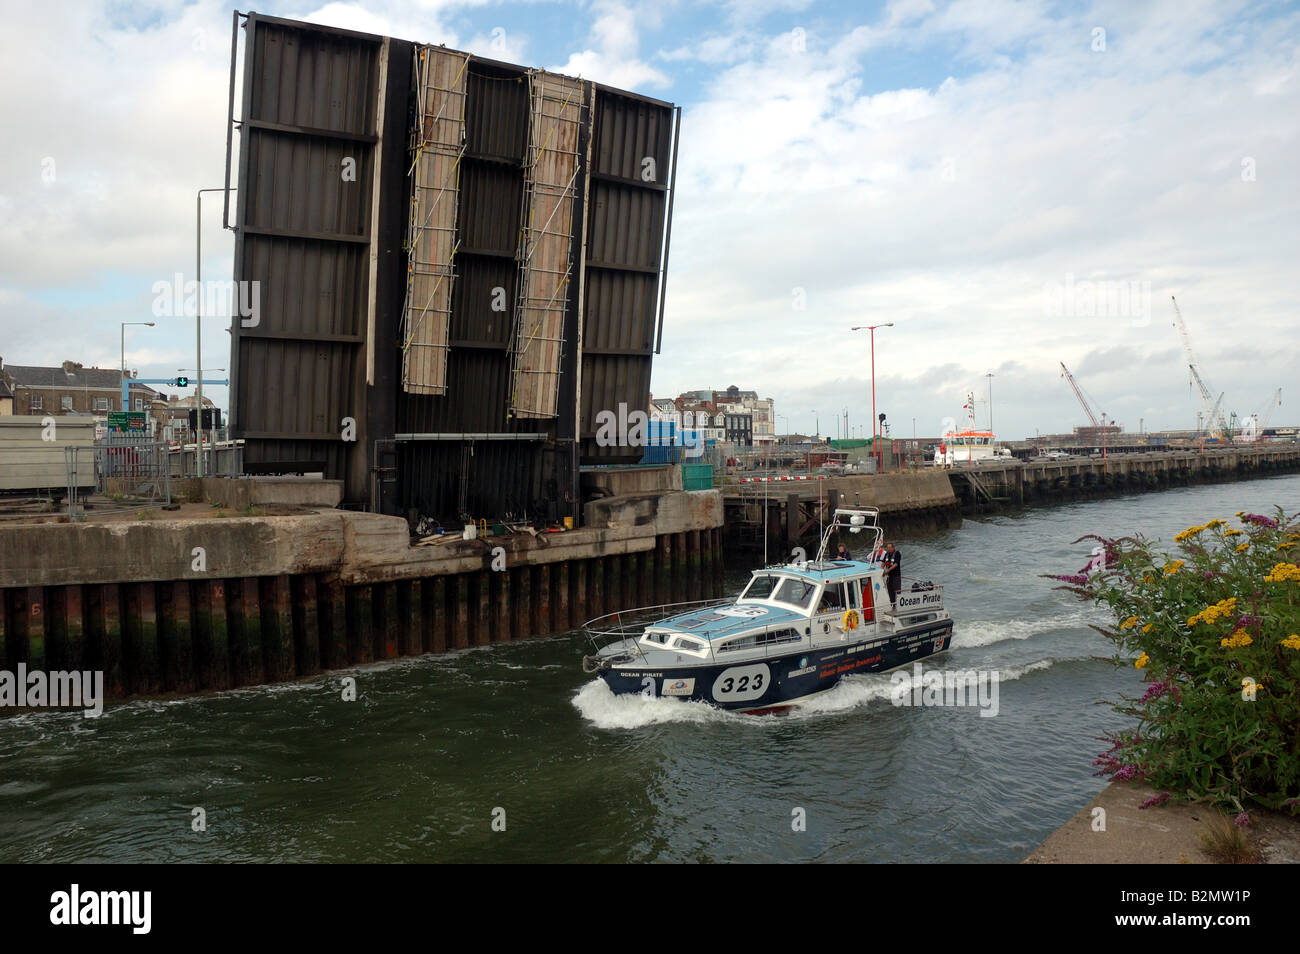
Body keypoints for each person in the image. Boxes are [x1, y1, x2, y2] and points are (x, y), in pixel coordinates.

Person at [882, 542, 902, 608]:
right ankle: (893, 605)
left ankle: (899, 604)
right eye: (888, 548)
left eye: (890, 547)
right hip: (889, 577)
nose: (889, 549)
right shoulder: (886, 554)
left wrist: (888, 570)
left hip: (896, 576)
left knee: (897, 591)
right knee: (890, 591)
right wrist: (881, 570)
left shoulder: (897, 553)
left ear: (893, 547)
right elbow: (883, 563)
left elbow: (896, 564)